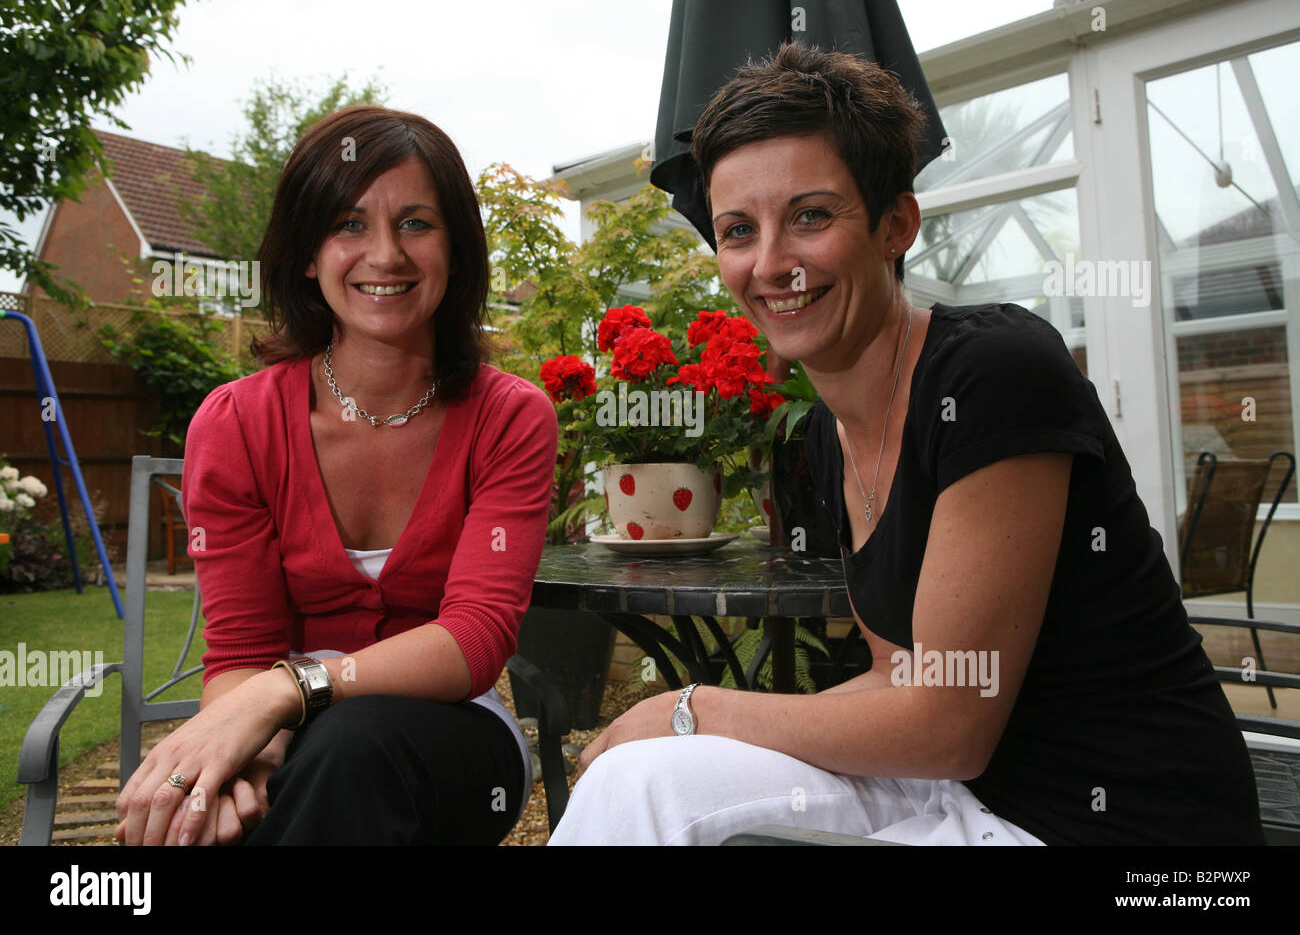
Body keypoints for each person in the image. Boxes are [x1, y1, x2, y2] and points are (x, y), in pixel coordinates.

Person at [549, 42, 1263, 845]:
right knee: (637, 780)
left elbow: (949, 724)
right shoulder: (826, 436)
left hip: (1120, 824)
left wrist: (694, 709)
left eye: (811, 216)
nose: (773, 264)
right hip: (963, 795)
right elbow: (900, 676)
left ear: (896, 226)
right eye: (738, 230)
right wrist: (689, 732)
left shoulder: (994, 372)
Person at [114, 105, 558, 845]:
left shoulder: (509, 418)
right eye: (349, 224)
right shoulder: (237, 424)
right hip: (288, 736)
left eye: (416, 223)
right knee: (221, 807)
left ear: (456, 251)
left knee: (350, 748)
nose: (385, 254)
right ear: (306, 255)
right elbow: (242, 650)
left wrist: (289, 691)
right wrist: (251, 752)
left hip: (456, 740)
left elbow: (475, 637)